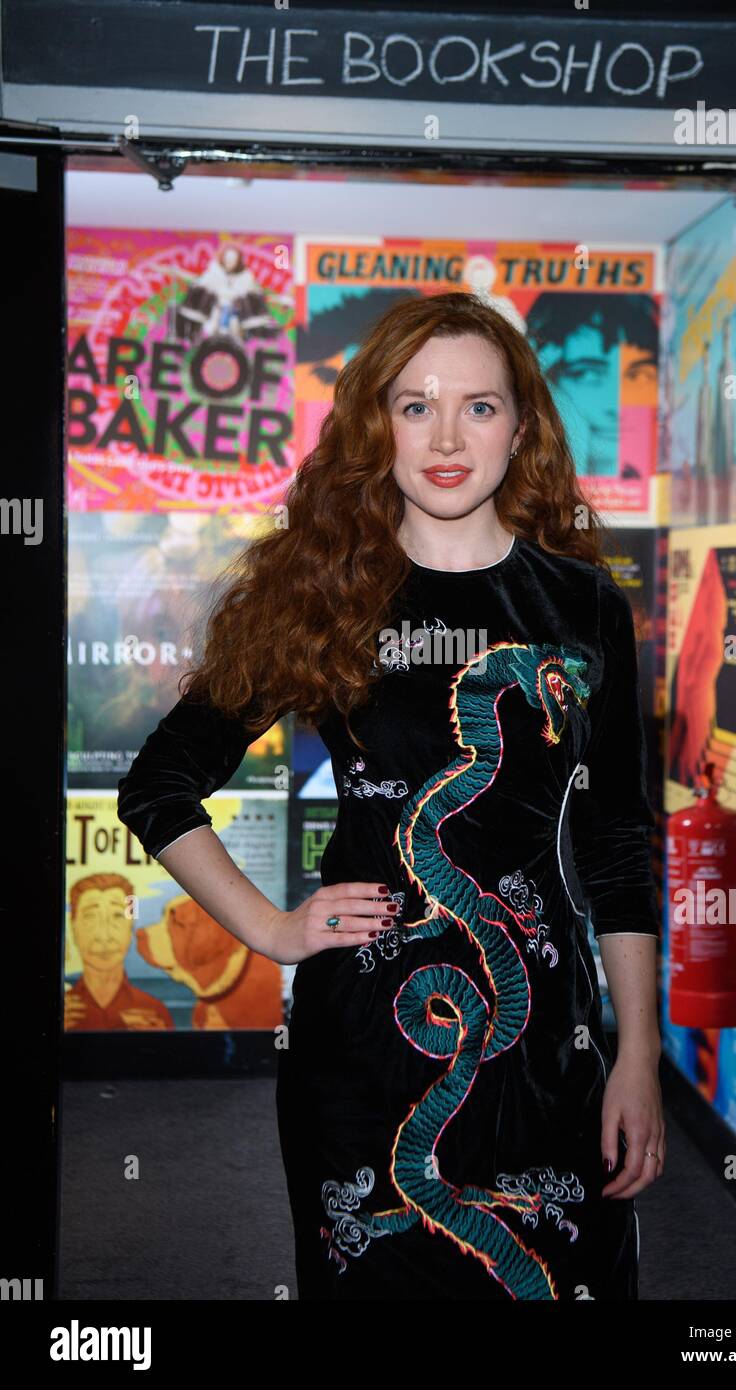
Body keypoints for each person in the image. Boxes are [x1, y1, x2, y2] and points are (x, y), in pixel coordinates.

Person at [116, 290, 664, 1302]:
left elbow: (618, 841)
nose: (446, 436)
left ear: (521, 427)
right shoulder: (321, 596)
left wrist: (636, 1054)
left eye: (478, 407)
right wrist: (271, 930)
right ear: (376, 423)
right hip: (365, 1047)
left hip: (551, 1040)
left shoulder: (583, 606)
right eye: (414, 406)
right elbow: (159, 783)